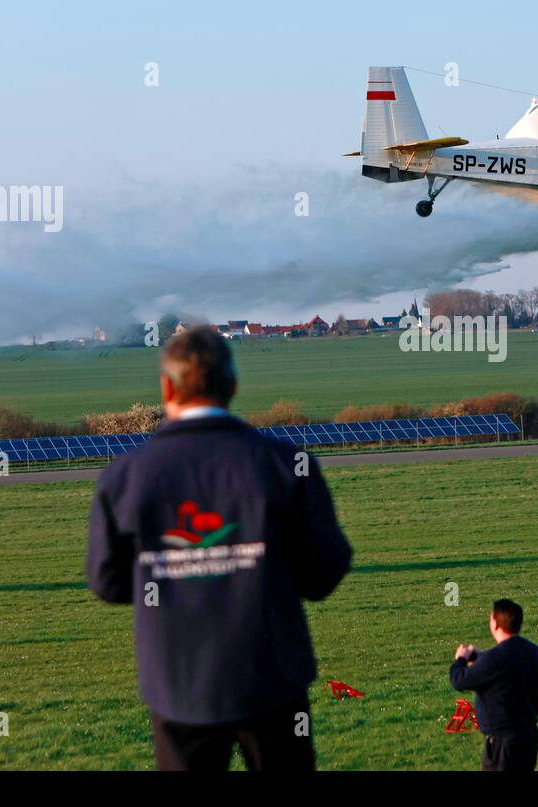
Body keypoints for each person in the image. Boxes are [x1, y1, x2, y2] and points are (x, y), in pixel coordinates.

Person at [86, 328, 352, 771]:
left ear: (167, 388)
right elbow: (326, 570)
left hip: (178, 681)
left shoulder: (126, 476)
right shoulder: (286, 464)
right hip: (273, 675)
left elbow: (108, 583)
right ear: (233, 385)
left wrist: (176, 577)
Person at [449, 598, 538, 771]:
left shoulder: (495, 659)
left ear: (496, 624)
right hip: (529, 736)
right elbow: (507, 668)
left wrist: (460, 659)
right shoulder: (532, 651)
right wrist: (482, 657)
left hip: (503, 742)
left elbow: (459, 680)